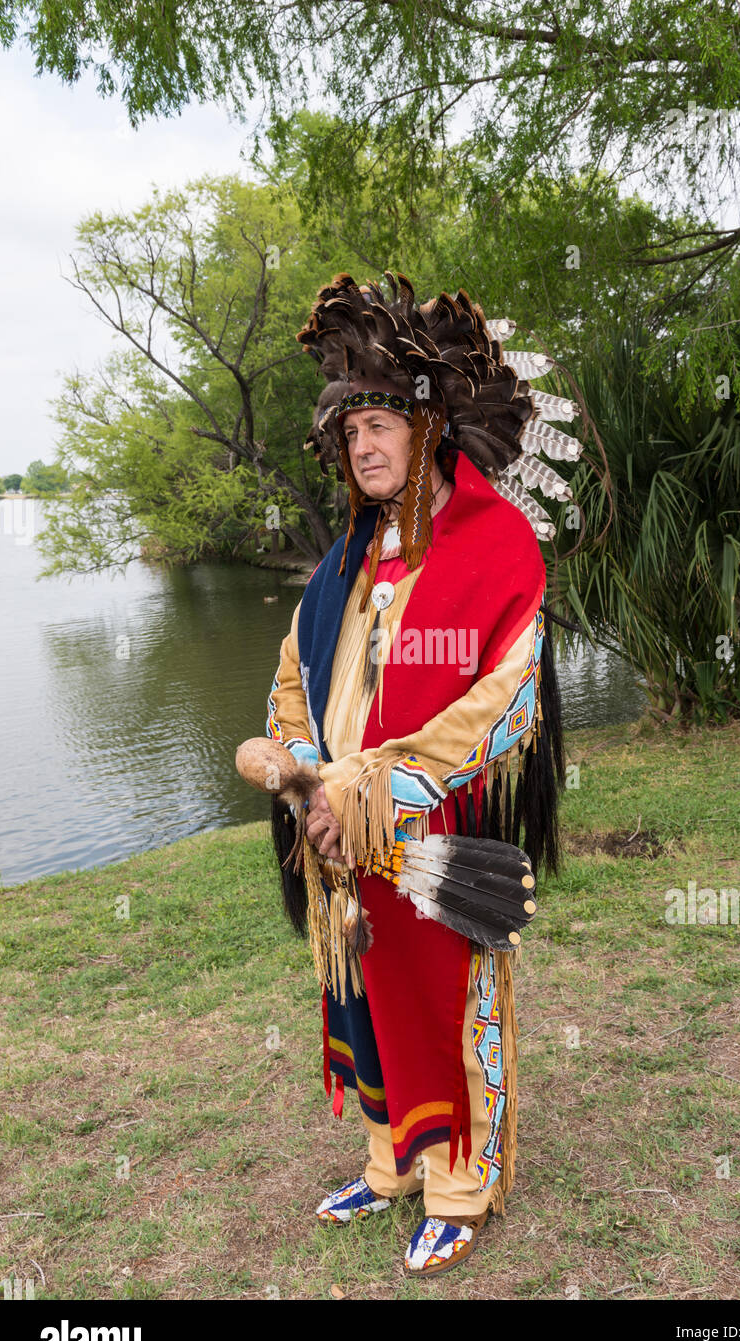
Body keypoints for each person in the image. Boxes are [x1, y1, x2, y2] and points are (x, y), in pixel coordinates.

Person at [264, 272, 574, 1275]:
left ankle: (461, 1182)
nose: (361, 443)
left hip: (439, 843)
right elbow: (294, 688)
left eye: (381, 420)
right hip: (343, 852)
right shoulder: (341, 566)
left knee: (445, 1004)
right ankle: (392, 1159)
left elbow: (508, 704)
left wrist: (377, 785)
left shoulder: (498, 547)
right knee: (362, 1000)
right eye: (349, 429)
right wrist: (303, 775)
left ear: (428, 423)